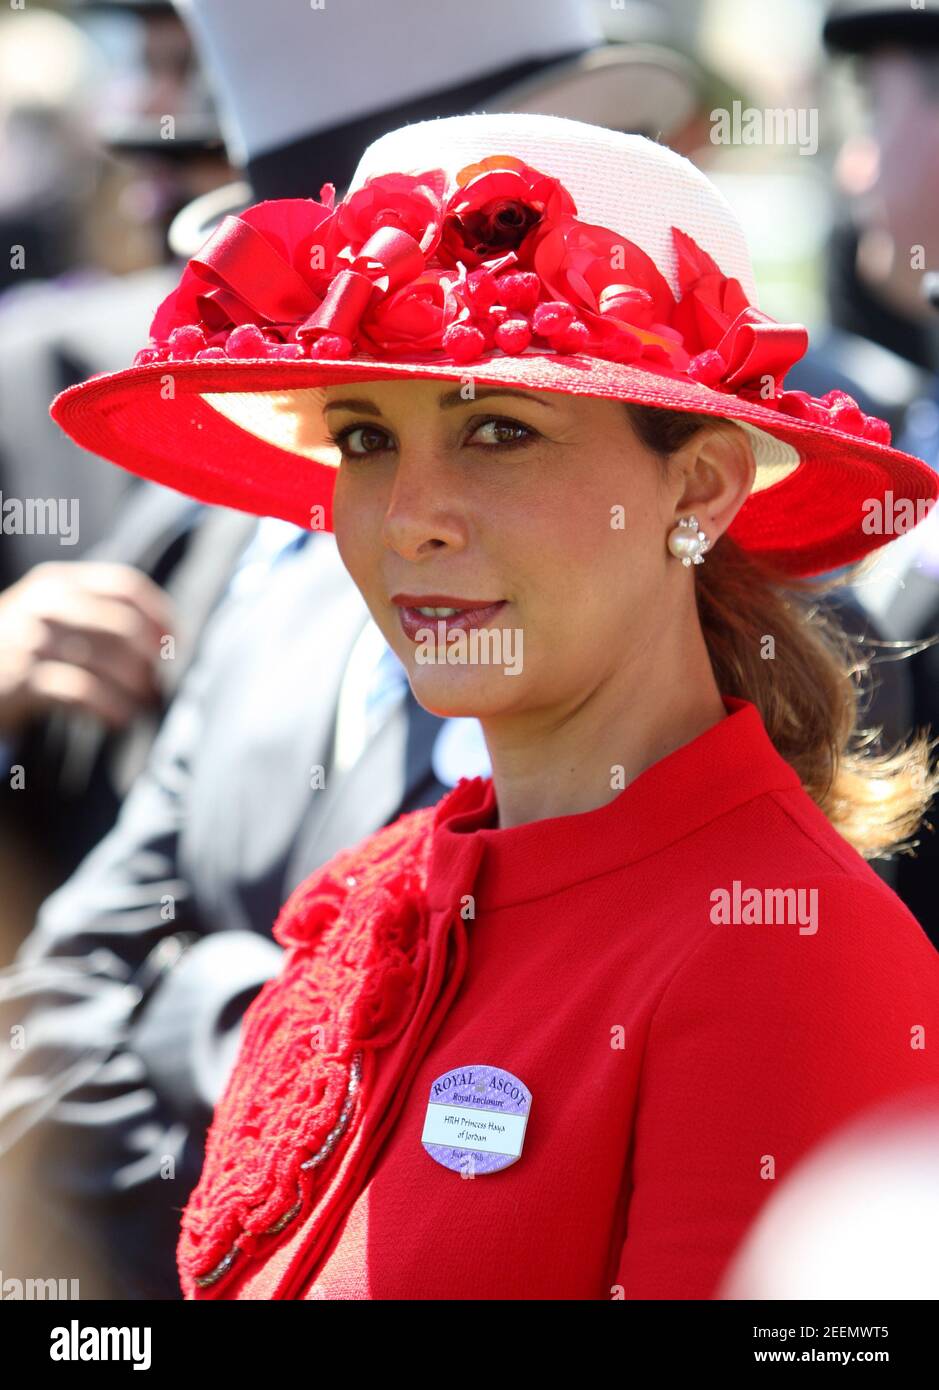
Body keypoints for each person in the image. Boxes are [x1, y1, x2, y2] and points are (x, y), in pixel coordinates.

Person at [49, 109, 939, 1301]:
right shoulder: (376, 894)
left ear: (703, 487)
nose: (411, 513)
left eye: (499, 430)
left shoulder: (792, 953)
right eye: (365, 436)